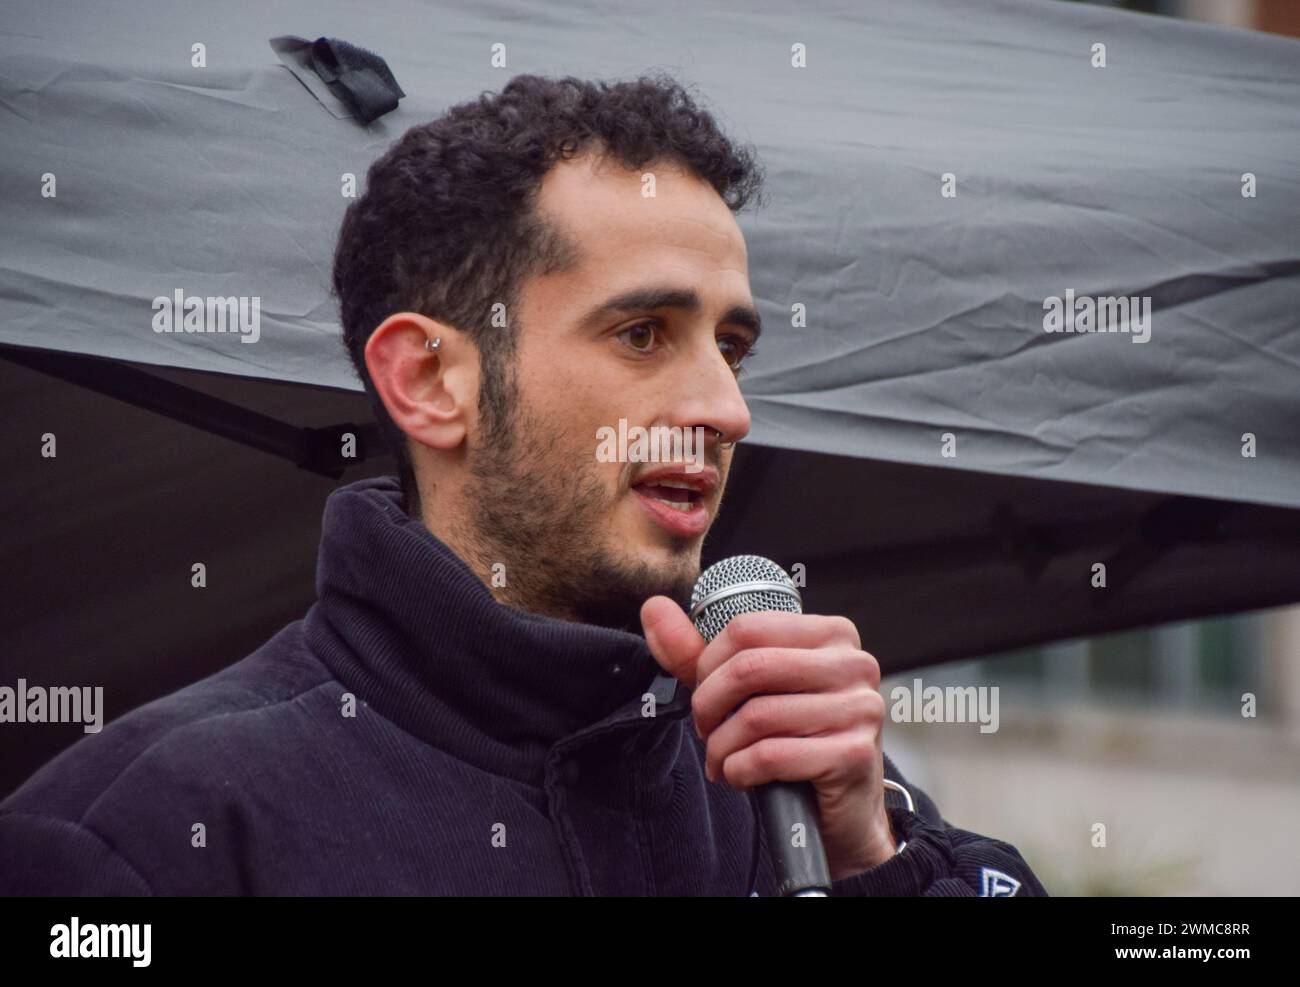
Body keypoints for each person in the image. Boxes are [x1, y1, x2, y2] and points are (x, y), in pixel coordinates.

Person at [0, 73, 1046, 896]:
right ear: (431, 381)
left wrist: (873, 857)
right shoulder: (137, 837)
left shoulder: (796, 786)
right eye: (643, 333)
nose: (727, 410)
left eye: (732, 346)